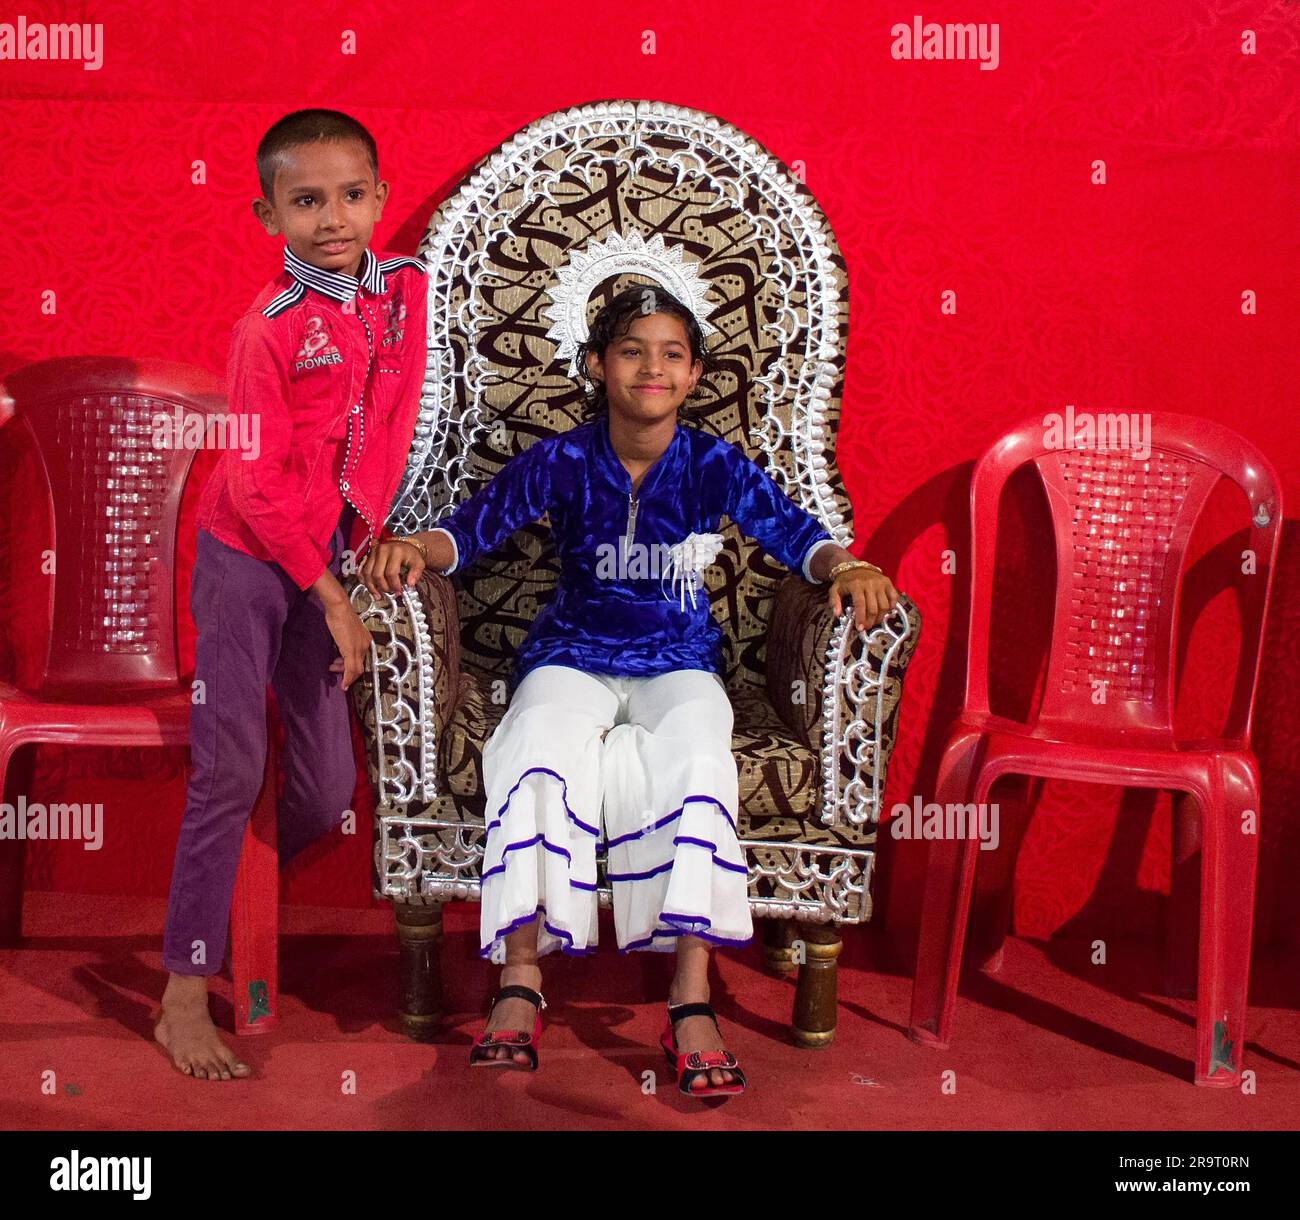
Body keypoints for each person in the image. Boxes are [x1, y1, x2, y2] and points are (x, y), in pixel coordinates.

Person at [360, 284, 897, 1097]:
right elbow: (471, 528)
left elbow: (798, 535)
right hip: (573, 653)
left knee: (698, 759)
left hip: (680, 660)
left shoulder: (713, 464)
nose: (652, 367)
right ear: (597, 366)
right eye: (631, 351)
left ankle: (689, 996)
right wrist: (417, 552)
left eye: (671, 355)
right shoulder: (565, 458)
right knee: (535, 744)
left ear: (692, 376)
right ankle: (521, 978)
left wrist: (846, 566)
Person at [153, 109, 427, 1080]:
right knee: (226, 769)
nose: (331, 217)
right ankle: (185, 984)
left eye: (350, 194)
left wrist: (369, 538)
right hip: (249, 565)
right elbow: (253, 484)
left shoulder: (406, 293)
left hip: (326, 563)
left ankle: (236, 896)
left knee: (324, 787)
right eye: (305, 201)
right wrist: (331, 594)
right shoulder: (264, 332)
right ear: (268, 213)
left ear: (380, 198)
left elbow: (390, 420)